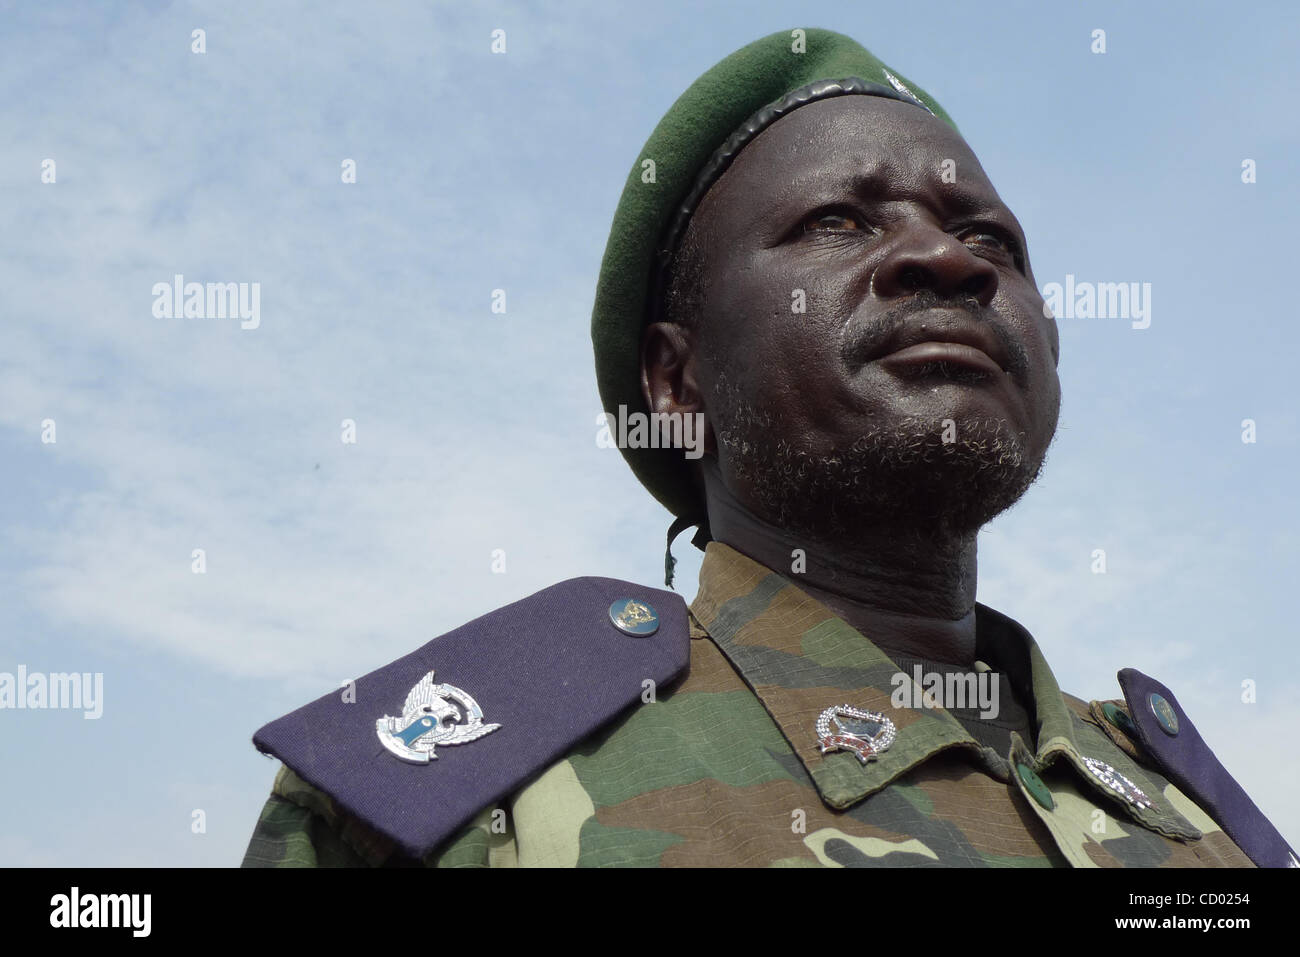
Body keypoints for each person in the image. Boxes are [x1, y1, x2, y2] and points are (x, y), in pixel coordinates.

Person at [240, 28, 1296, 868]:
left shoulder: (1186, 805)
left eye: (990, 241)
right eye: (839, 223)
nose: (944, 257)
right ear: (676, 380)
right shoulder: (476, 802)